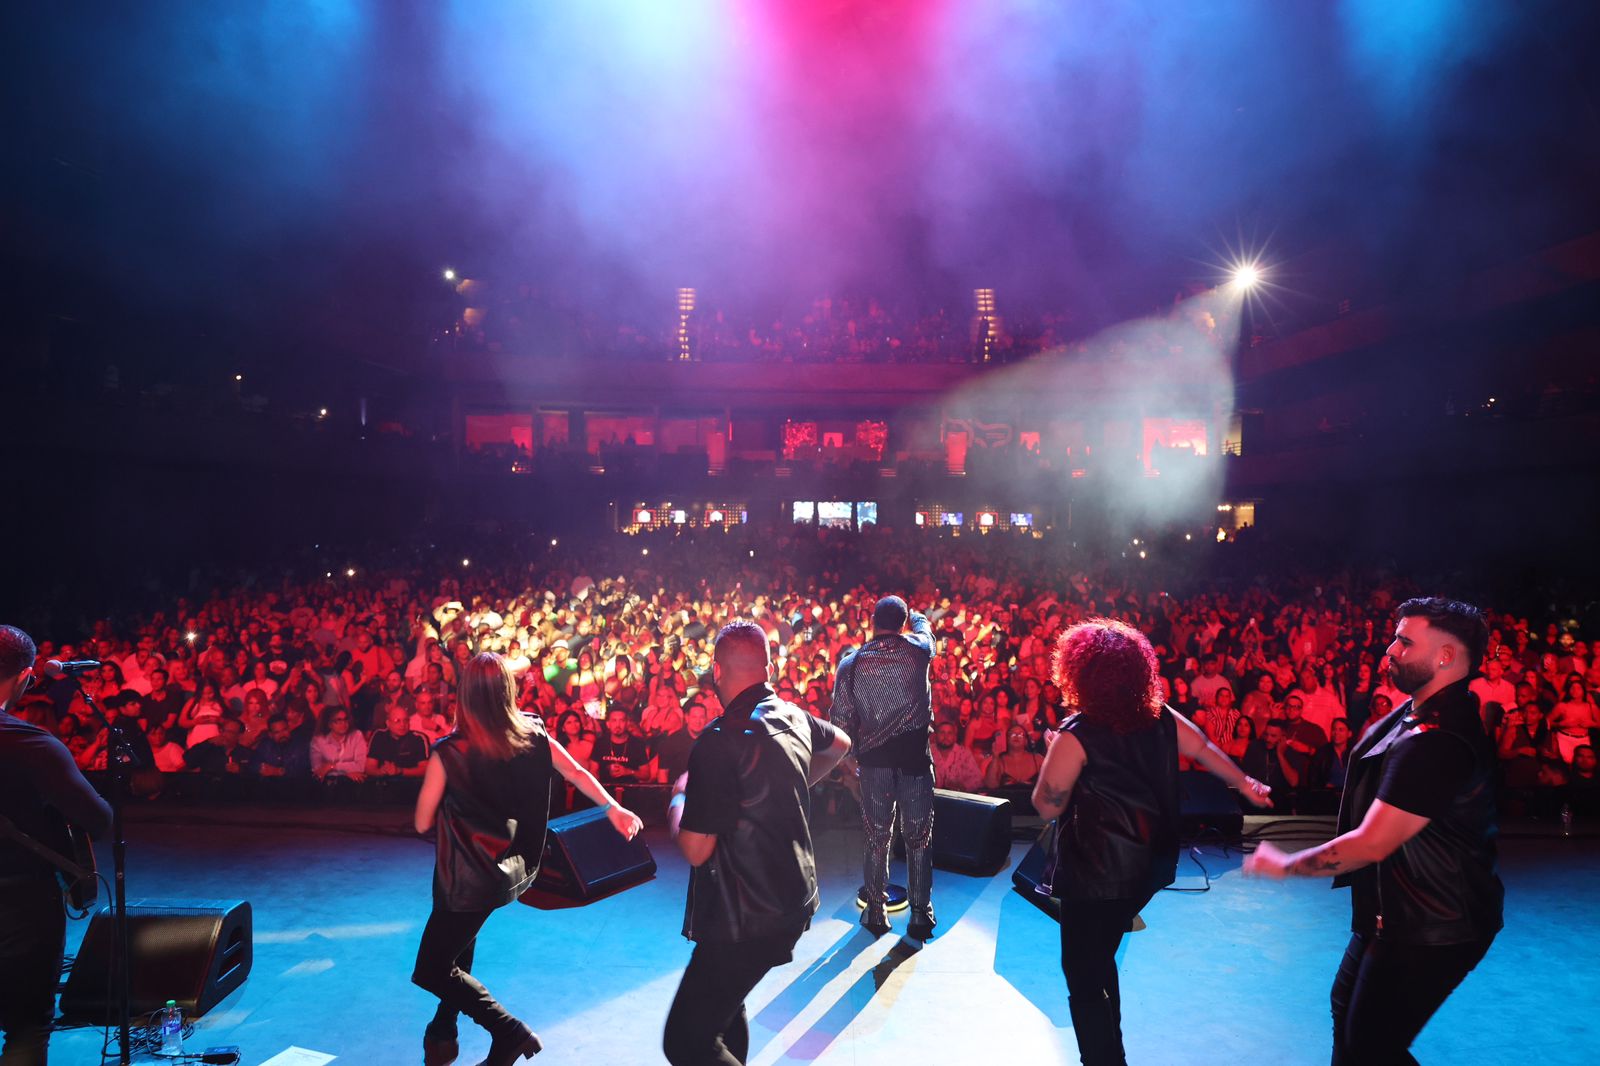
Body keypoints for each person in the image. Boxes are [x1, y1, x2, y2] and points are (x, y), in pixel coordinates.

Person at [1245, 597, 1503, 1066]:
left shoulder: (1437, 739)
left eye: (1405, 641)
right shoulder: (1416, 712)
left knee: (1368, 1048)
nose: (1391, 649)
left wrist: (1285, 865)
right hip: (1392, 912)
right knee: (1351, 1026)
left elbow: (1372, 842)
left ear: (1445, 657)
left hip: (1432, 925)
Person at [1032, 619, 1271, 1066]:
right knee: (1100, 957)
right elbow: (1202, 748)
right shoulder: (1159, 717)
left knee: (1083, 976)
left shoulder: (1075, 734)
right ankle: (1113, 1052)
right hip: (1149, 867)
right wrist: (1245, 782)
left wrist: (1053, 753)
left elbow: (1046, 805)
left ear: (1078, 673)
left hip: (1093, 873)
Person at [412, 653, 641, 1066]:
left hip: (463, 875)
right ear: (507, 692)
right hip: (509, 869)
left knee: (431, 968)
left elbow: (422, 820)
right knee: (459, 947)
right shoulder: (534, 734)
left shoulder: (449, 751)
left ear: (464, 696)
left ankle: (508, 1031)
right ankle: (443, 1033)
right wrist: (613, 809)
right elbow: (576, 773)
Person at [664, 620, 850, 1066]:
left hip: (743, 914)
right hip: (791, 898)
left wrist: (679, 797)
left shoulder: (717, 741)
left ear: (716, 670)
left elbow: (694, 849)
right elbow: (840, 742)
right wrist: (792, 783)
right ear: (768, 667)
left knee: (686, 1041)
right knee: (725, 1011)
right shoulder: (793, 715)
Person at [1, 624, 114, 1063]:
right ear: (27, 675)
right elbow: (98, 819)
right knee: (26, 1029)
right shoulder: (29, 743)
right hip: (19, 907)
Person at [829, 595, 937, 938]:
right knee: (919, 838)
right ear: (902, 623)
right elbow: (928, 634)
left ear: (871, 621)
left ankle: (875, 912)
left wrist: (848, 759)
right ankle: (921, 915)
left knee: (877, 837)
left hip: (874, 763)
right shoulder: (918, 650)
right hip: (915, 760)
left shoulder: (852, 662)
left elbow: (841, 719)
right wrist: (918, 617)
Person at [931, 719, 984, 792]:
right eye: (942, 732)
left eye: (950, 733)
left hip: (957, 798)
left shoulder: (964, 754)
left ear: (955, 737)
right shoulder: (928, 752)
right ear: (936, 735)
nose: (945, 736)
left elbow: (977, 779)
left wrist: (963, 787)